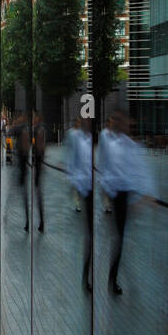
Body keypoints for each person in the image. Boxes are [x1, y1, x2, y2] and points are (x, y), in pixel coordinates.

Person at [99, 110, 156, 295]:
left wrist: (145, 196)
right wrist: (107, 187)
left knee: (120, 237)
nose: (118, 123)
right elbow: (105, 167)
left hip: (125, 195)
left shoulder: (132, 146)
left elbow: (141, 172)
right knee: (119, 238)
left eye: (121, 120)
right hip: (117, 194)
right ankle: (112, 278)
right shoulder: (108, 140)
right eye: (115, 119)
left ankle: (114, 275)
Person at [66, 117, 94, 291]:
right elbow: (70, 155)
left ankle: (87, 274)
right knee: (88, 232)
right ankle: (86, 275)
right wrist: (73, 176)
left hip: (90, 185)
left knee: (90, 231)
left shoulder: (90, 139)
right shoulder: (74, 136)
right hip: (80, 181)